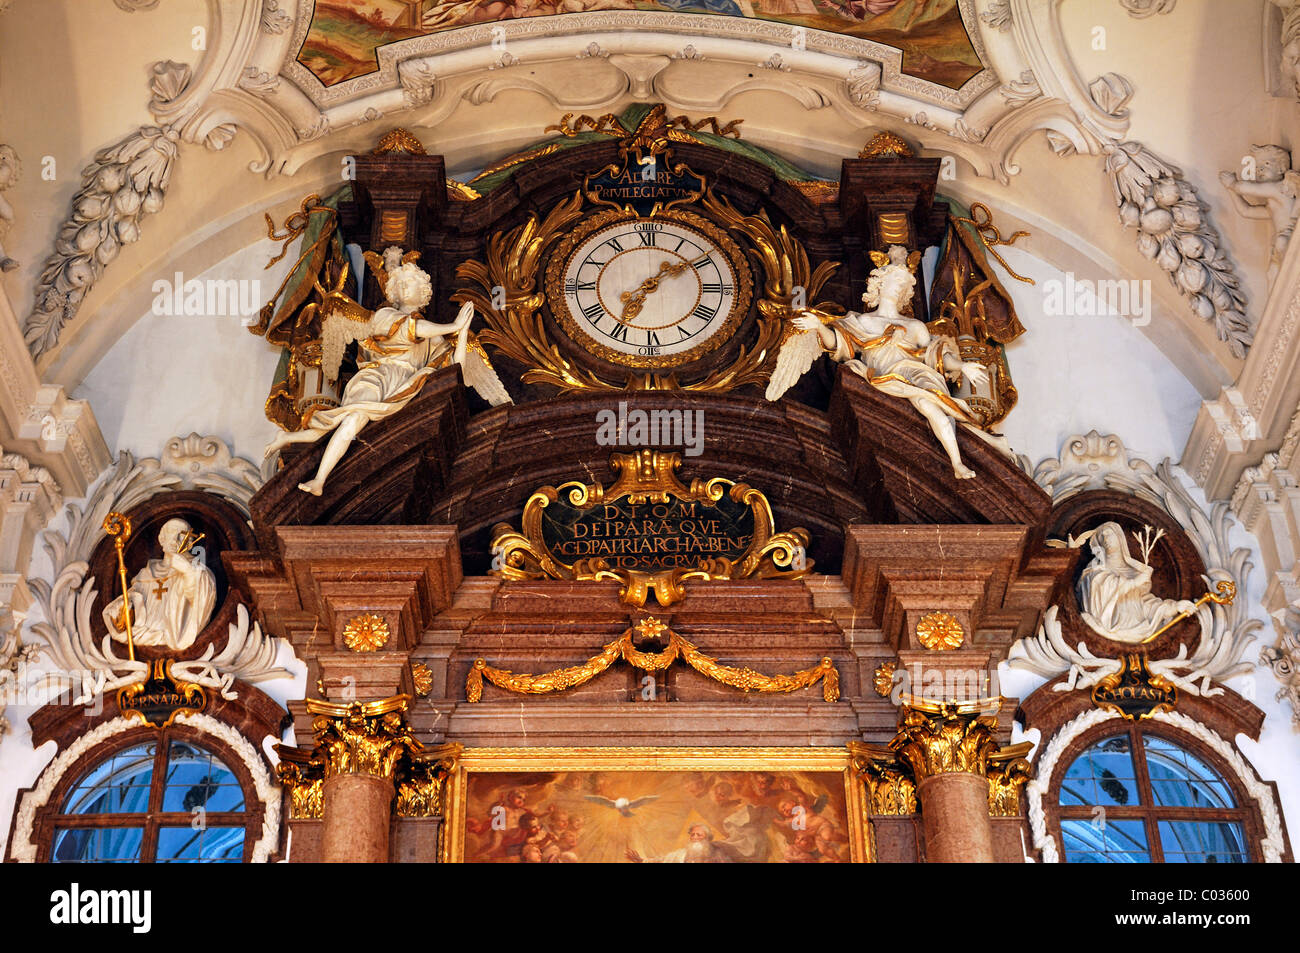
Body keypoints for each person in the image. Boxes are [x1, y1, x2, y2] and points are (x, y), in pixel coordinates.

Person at [781, 246, 1011, 479]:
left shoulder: (915, 327)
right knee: (933, 408)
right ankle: (968, 456)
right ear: (879, 285)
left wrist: (963, 366)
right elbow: (839, 344)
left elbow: (934, 355)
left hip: (920, 375)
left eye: (903, 284)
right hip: (888, 376)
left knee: (935, 405)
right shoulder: (863, 321)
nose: (898, 286)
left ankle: (959, 462)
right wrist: (818, 326)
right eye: (894, 280)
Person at [265, 262, 473, 495]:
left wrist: (462, 333)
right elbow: (408, 329)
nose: (404, 287)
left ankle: (291, 440)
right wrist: (452, 326)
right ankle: (320, 479)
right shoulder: (385, 315)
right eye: (400, 284)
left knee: (346, 420)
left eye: (410, 283)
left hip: (402, 385)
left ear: (423, 291)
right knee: (353, 416)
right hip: (376, 377)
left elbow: (456, 370)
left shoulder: (432, 338)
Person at [102, 518, 216, 651]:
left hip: (174, 636)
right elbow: (132, 599)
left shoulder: (198, 571)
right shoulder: (145, 573)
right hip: (143, 634)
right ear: (162, 539)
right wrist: (122, 606)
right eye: (172, 533)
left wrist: (188, 571)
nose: (176, 540)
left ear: (190, 543)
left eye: (182, 535)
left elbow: (200, 599)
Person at [1075, 521, 1198, 644]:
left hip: (1140, 630)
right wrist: (1134, 583)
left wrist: (1174, 607)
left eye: (1109, 534)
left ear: (1119, 538)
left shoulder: (1134, 571)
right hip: (1108, 629)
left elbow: (1144, 604)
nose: (1105, 538)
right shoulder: (1095, 570)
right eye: (1102, 536)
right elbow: (1099, 588)